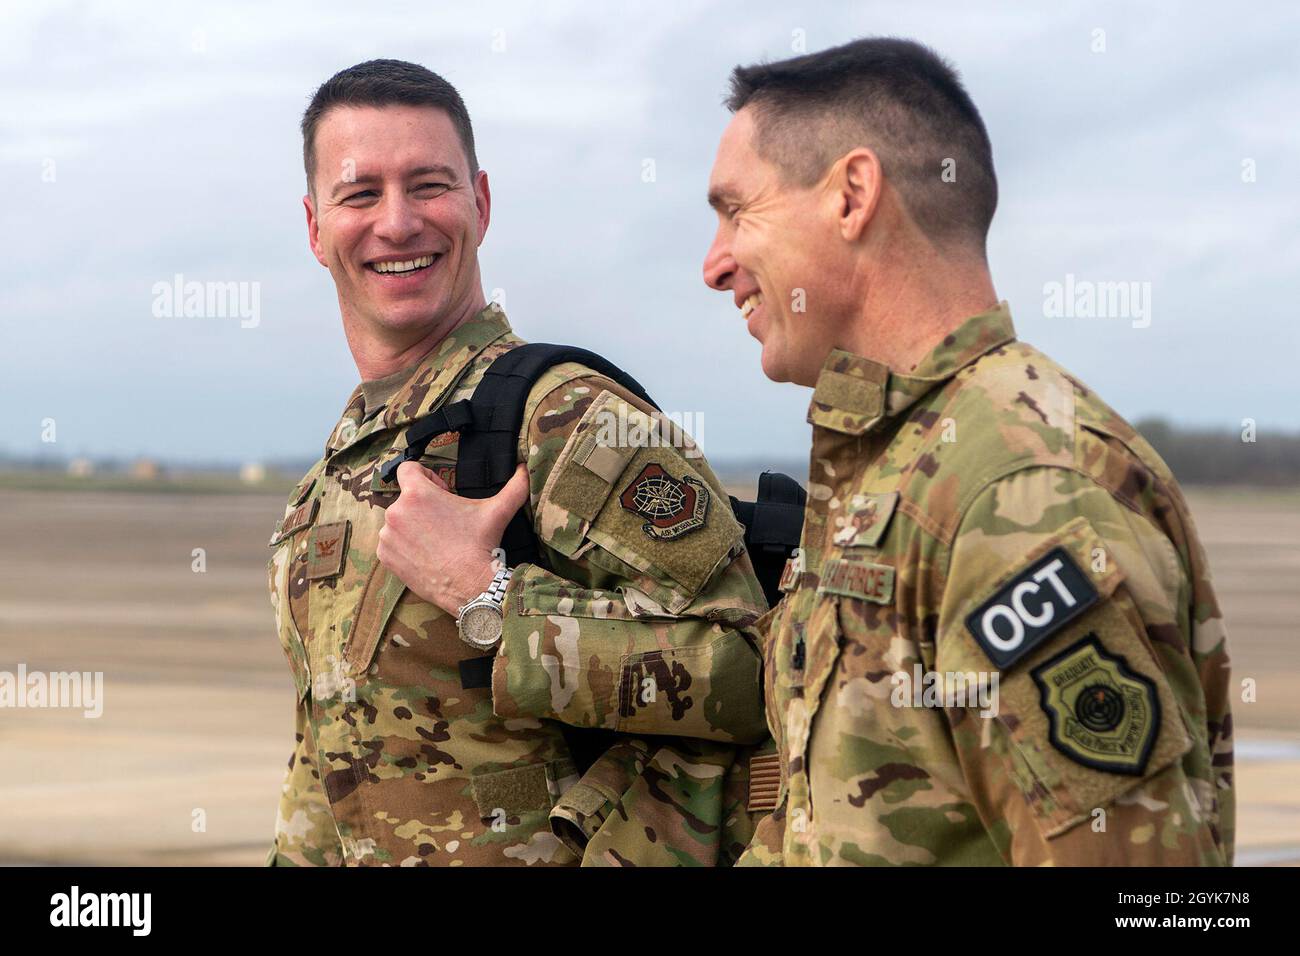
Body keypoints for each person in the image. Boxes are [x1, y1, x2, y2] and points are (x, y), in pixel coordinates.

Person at [700, 37, 1234, 866]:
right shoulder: (894, 466)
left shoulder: (1016, 493)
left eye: (738, 210)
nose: (715, 265)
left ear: (851, 195)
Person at [266, 59, 768, 866]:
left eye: (429, 185)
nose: (397, 223)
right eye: (360, 194)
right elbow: (331, 763)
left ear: (482, 204)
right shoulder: (335, 476)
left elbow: (759, 665)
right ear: (315, 226)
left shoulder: (564, 417)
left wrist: (490, 596)